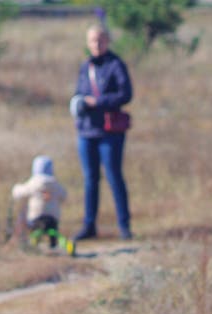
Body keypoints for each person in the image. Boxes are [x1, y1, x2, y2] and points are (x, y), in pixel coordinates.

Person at [72, 24, 133, 241]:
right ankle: (89, 225)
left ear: (107, 41)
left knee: (114, 176)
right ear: (87, 43)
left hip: (109, 131)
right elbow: (79, 92)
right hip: (86, 131)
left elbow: (126, 94)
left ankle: (124, 226)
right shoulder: (85, 66)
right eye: (92, 40)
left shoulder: (116, 65)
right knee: (90, 179)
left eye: (100, 40)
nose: (96, 44)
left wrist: (97, 102)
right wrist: (78, 103)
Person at [11, 155, 67, 247]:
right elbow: (64, 195)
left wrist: (15, 188)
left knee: (35, 230)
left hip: (36, 218)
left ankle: (34, 243)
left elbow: (20, 192)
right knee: (53, 230)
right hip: (53, 219)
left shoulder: (33, 183)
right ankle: (53, 243)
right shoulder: (55, 184)